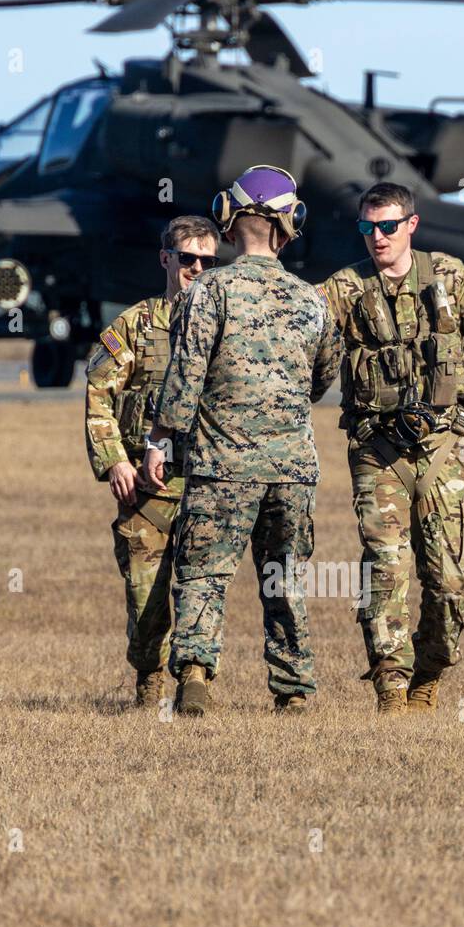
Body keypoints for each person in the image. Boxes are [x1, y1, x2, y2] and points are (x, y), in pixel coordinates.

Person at [319, 182, 464, 714]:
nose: (378, 238)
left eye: (388, 226)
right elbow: (294, 333)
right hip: (377, 448)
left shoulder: (450, 278)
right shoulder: (344, 289)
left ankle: (430, 671)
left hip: (445, 446)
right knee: (385, 566)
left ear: (411, 225)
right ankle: (391, 685)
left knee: (450, 577)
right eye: (368, 228)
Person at [143, 165, 342, 717]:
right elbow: (321, 381)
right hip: (292, 468)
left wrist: (160, 441)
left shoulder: (208, 291)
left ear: (229, 219)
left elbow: (184, 378)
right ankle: (294, 690)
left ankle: (196, 678)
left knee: (204, 575)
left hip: (220, 466)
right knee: (285, 580)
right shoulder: (313, 300)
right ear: (290, 222)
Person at [84, 216, 221, 706]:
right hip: (147, 486)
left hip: (209, 480)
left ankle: (196, 680)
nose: (198, 268)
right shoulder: (136, 325)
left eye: (208, 260)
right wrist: (114, 461)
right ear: (167, 259)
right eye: (188, 258)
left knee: (202, 585)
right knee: (146, 597)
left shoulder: (228, 326)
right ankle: (148, 679)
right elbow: (99, 391)